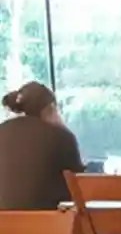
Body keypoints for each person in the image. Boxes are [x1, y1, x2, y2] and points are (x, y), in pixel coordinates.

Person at [0, 81, 83, 210]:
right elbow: (79, 187)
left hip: (4, 226)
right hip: (48, 225)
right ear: (50, 108)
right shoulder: (60, 136)